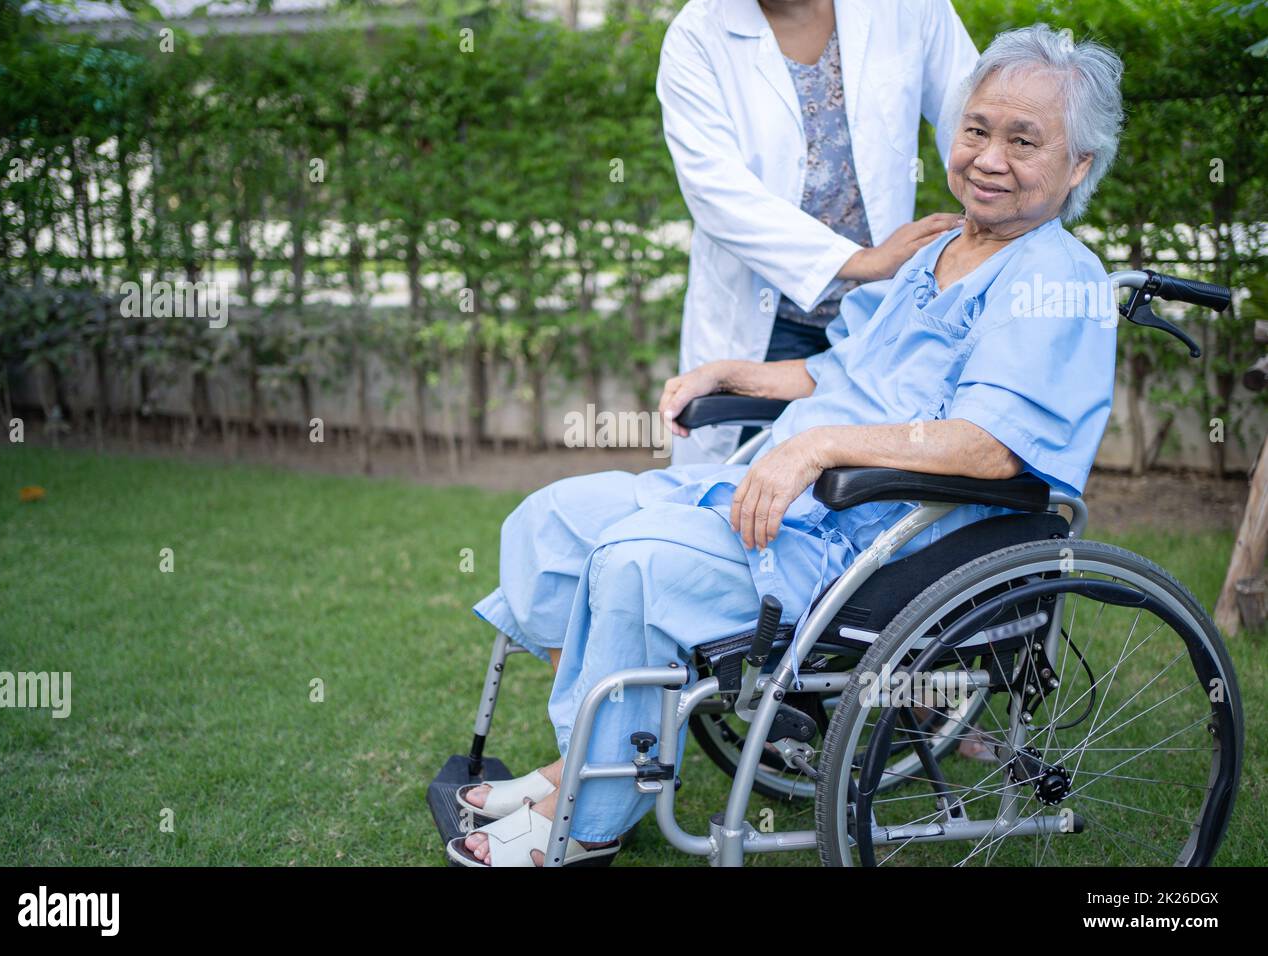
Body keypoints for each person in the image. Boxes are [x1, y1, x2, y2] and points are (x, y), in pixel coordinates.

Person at [450, 23, 1125, 867]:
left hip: (858, 537)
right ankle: (588, 756)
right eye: (977, 130)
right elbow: (843, 367)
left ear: (1079, 167)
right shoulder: (938, 250)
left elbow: (992, 446)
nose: (989, 157)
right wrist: (740, 373)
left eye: (1024, 140)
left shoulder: (1052, 280)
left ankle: (587, 818)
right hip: (778, 495)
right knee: (550, 521)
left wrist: (814, 450)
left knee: (631, 562)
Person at [657, 0, 979, 463]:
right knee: (739, 492)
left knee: (872, 489)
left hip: (878, 315)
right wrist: (862, 261)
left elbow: (974, 116)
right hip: (766, 320)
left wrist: (986, 232)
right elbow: (715, 190)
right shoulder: (698, 33)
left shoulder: (908, 8)